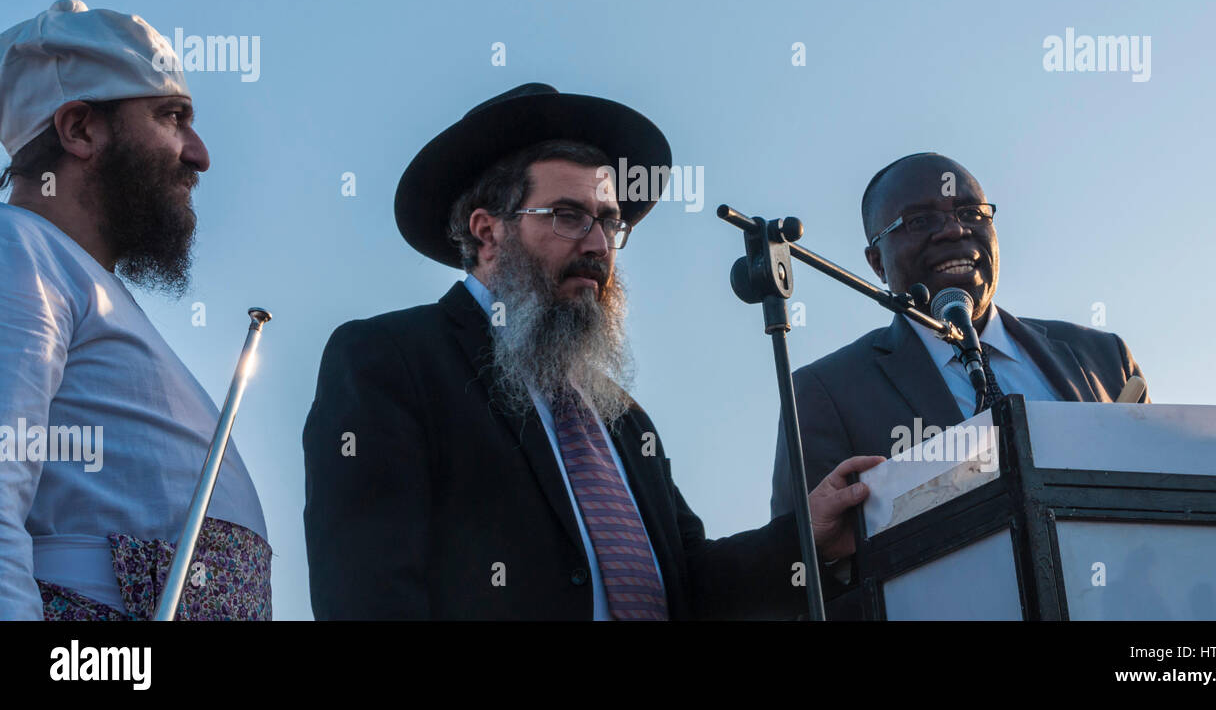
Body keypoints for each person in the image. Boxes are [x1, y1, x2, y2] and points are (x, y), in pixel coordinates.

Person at [303, 83, 880, 619]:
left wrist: (807, 536)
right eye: (569, 216)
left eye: (610, 222)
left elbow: (690, 585)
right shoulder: (391, 360)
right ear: (487, 232)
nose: (600, 245)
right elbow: (369, 594)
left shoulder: (622, 419)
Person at [0, 0, 270, 621]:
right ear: (80, 130)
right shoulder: (19, 249)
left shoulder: (75, 275)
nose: (199, 154)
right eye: (172, 117)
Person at [770, 151, 1149, 524]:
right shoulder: (826, 393)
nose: (954, 230)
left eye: (971, 214)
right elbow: (805, 561)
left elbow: (1164, 498)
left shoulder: (1103, 359)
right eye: (919, 221)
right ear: (877, 263)